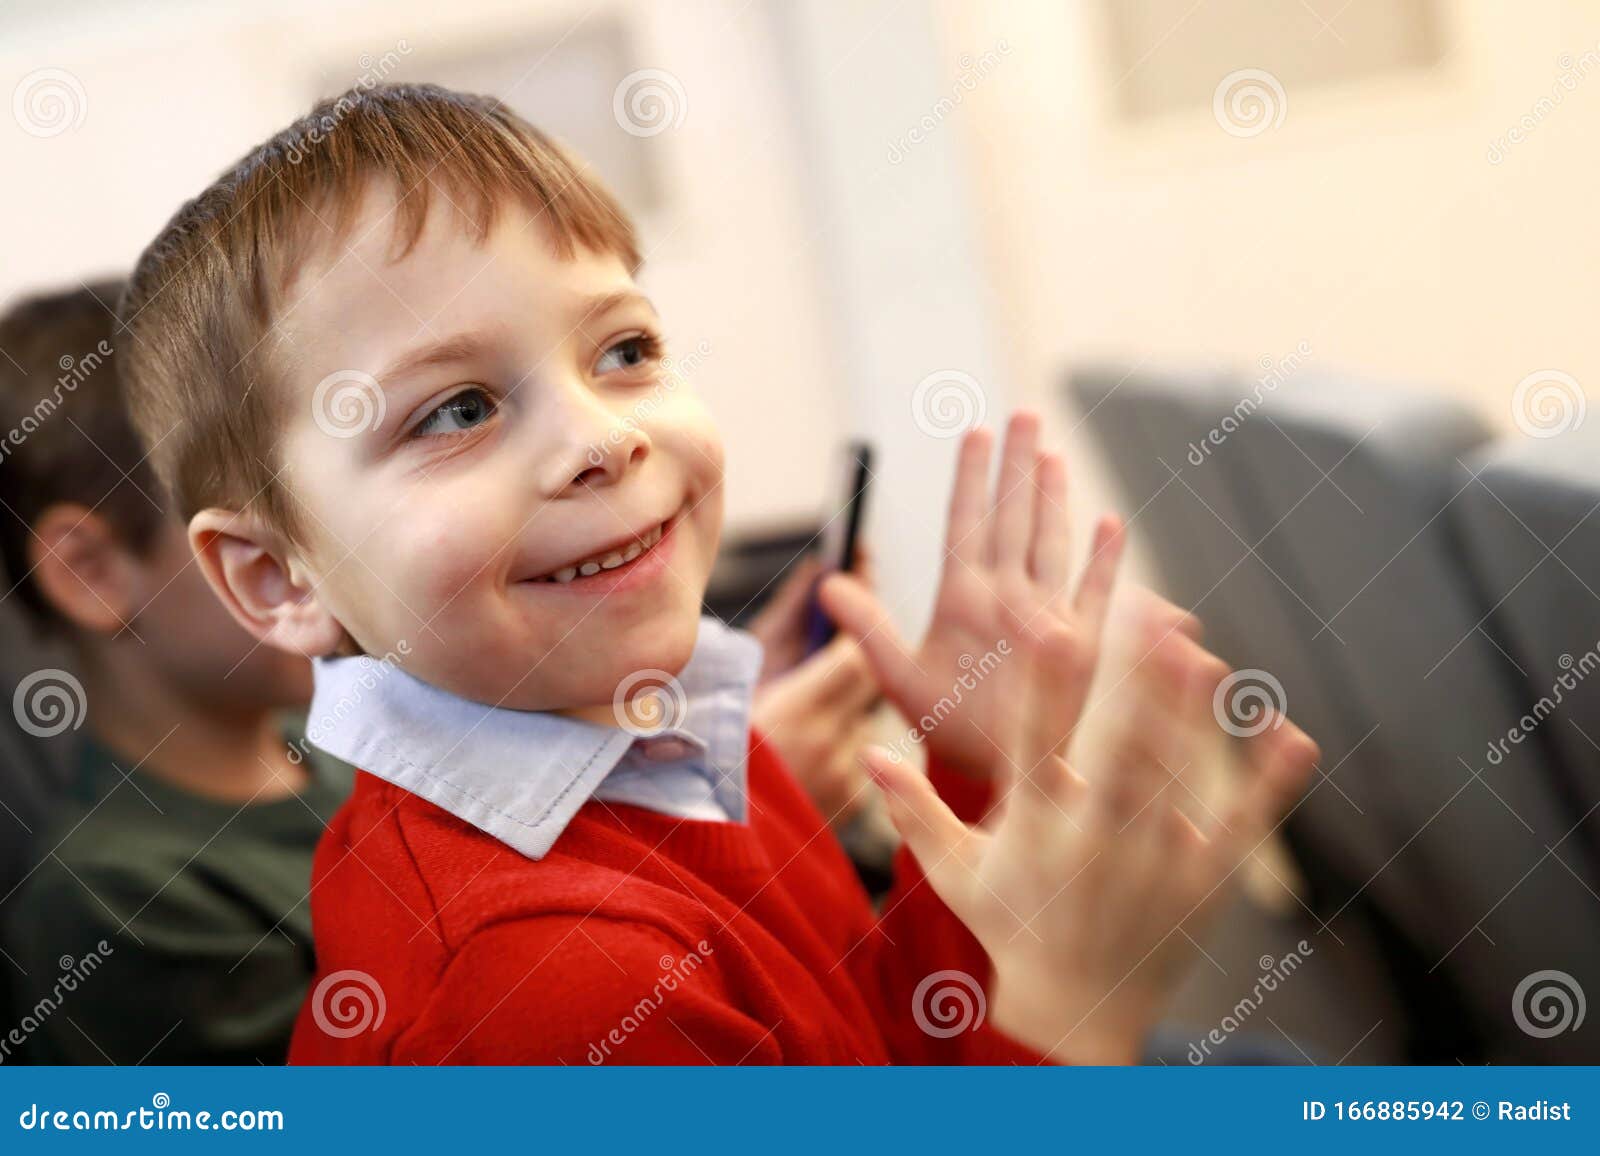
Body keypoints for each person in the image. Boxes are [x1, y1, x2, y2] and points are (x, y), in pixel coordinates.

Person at [116, 84, 1319, 1064]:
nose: (601, 437)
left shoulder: (677, 728)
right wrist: (1071, 1015)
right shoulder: (545, 993)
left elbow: (893, 1045)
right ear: (276, 578)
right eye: (460, 409)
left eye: (624, 349)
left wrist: (972, 770)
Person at [0, 284, 350, 1064]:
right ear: (90, 570)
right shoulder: (116, 901)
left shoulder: (341, 746)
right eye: (264, 509)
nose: (334, 550)